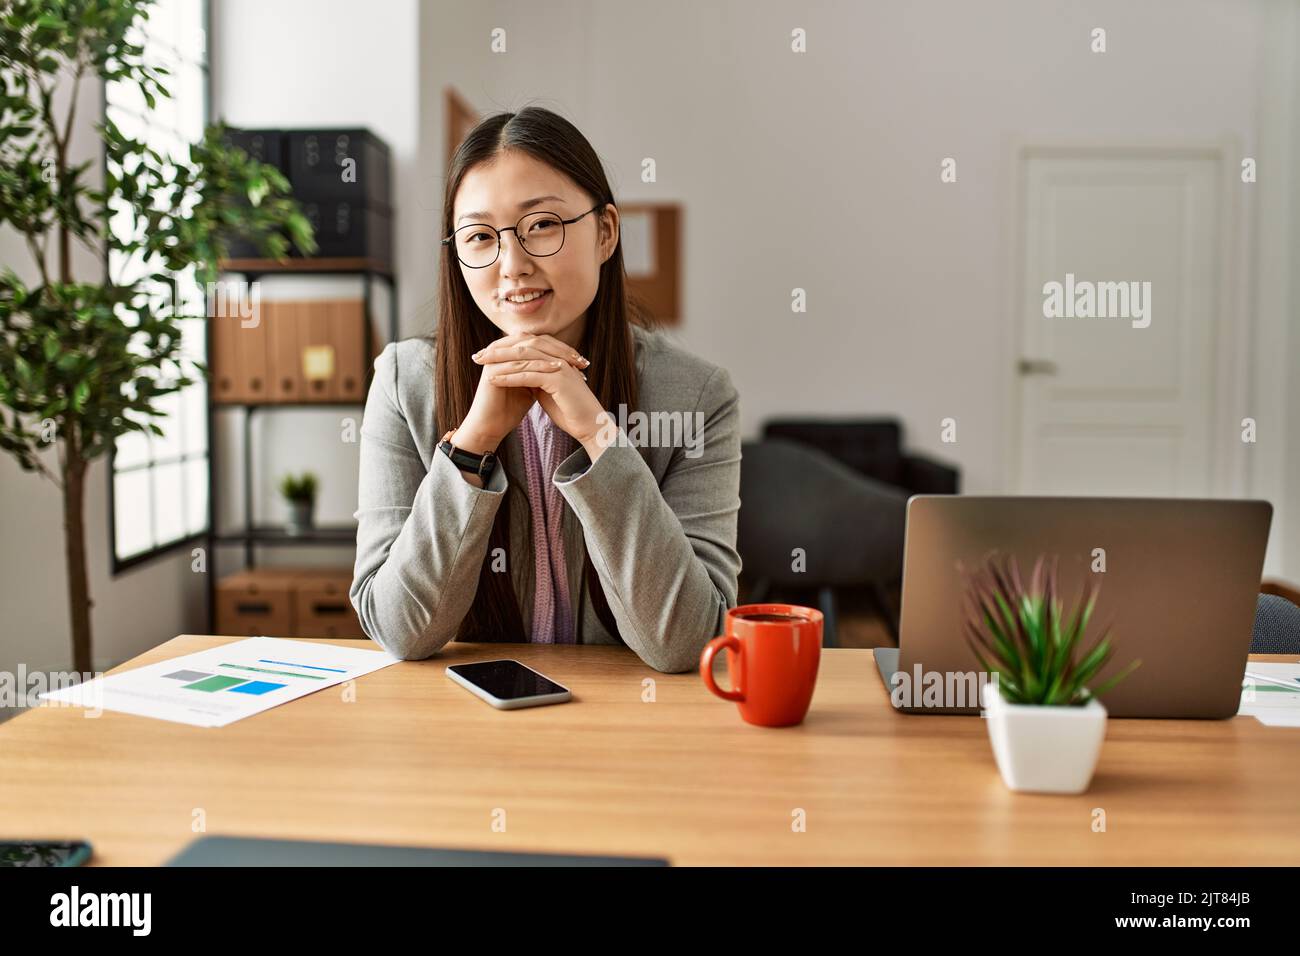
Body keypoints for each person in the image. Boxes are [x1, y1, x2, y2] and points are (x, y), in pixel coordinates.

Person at [349, 106, 741, 673]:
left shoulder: (698, 395)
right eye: (481, 237)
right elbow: (399, 630)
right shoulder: (404, 382)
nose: (512, 264)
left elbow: (685, 643)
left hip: (630, 728)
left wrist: (600, 437)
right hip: (460, 727)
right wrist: (472, 444)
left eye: (542, 226)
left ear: (605, 232)